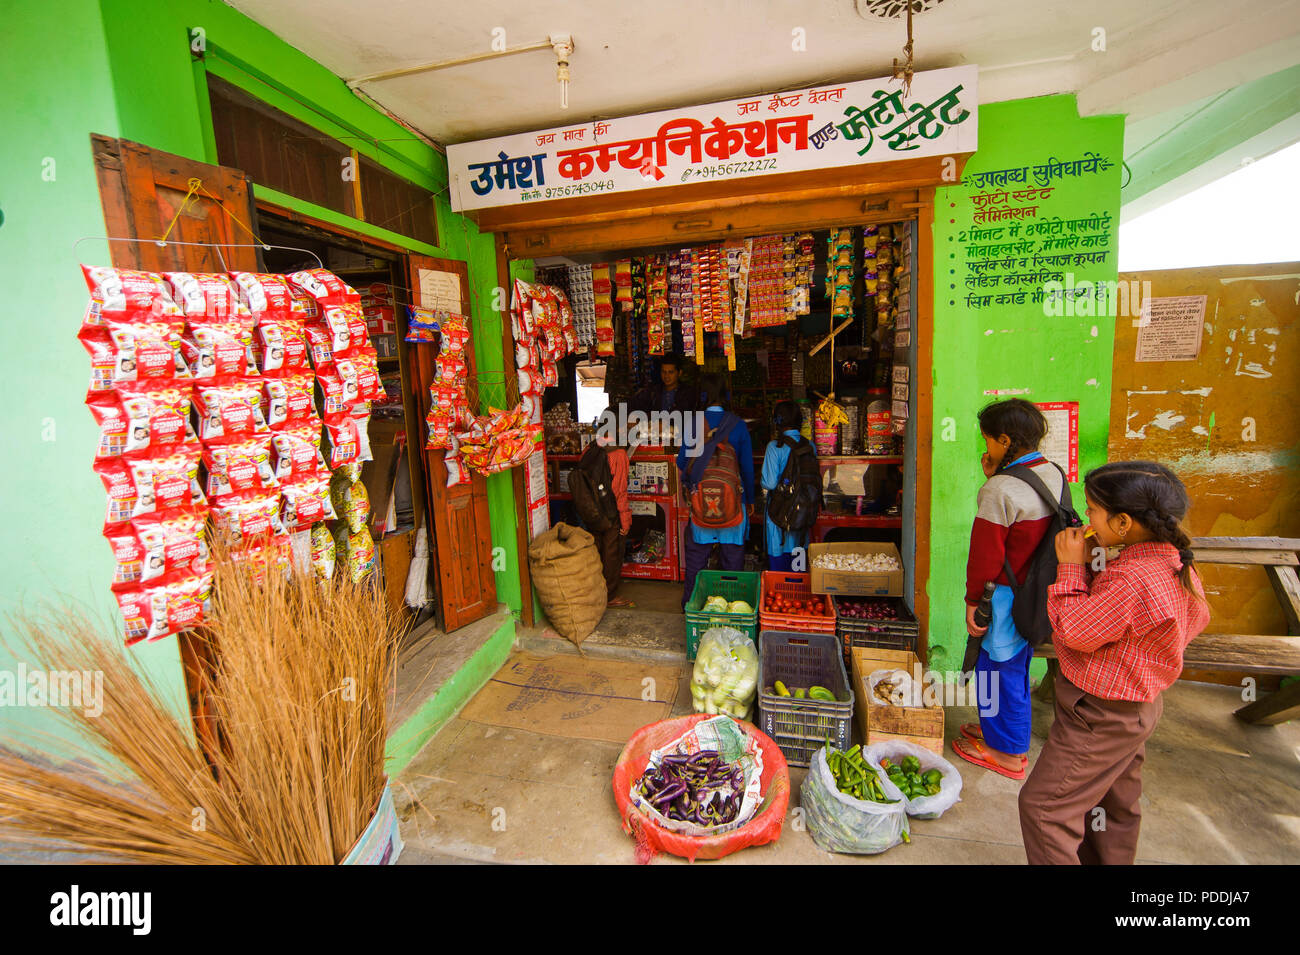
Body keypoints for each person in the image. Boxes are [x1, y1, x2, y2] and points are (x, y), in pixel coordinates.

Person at [1019, 461, 1210, 865]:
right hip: (1138, 706)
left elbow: (1073, 631)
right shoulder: (1173, 562)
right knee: (1112, 808)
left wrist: (1070, 566)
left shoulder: (1131, 578)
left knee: (1044, 810)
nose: (1087, 518)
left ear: (1123, 522)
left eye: (1092, 510)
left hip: (1100, 713)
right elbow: (1194, 618)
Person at [952, 399, 1063, 780]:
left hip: (1004, 595)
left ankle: (1008, 753)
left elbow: (985, 555)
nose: (986, 448)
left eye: (988, 440)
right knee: (1004, 666)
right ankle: (995, 732)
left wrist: (971, 601)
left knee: (1002, 672)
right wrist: (993, 476)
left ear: (1004, 439)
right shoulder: (1052, 472)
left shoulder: (1000, 490)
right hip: (1037, 591)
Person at [676, 373, 754, 607]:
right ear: (726, 395)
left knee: (697, 561)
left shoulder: (693, 425)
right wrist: (749, 500)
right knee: (732, 561)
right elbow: (747, 469)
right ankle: (733, 608)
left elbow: (682, 464)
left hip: (701, 505)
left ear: (702, 396)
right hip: (733, 506)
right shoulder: (739, 426)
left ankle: (691, 607)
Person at [761, 400, 815, 571]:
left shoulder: (774, 447)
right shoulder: (810, 445)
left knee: (779, 571)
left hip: (779, 514)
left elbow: (769, 483)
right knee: (797, 570)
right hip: (803, 512)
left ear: (777, 422)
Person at [633, 355, 699, 416]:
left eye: (671, 372)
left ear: (679, 373)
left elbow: (681, 414)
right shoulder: (654, 391)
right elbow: (637, 404)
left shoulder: (687, 393)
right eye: (663, 372)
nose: (666, 376)